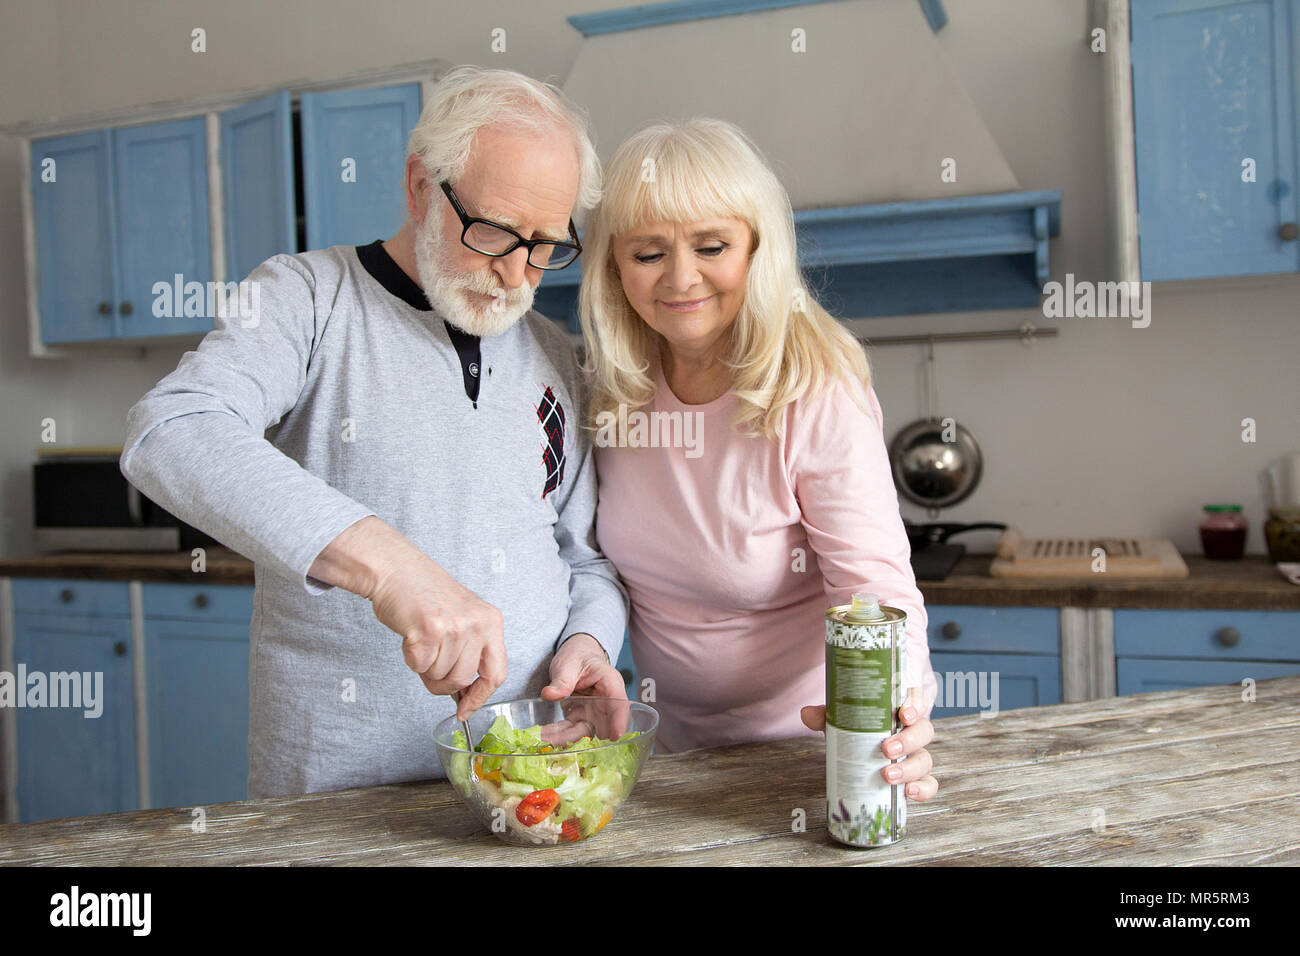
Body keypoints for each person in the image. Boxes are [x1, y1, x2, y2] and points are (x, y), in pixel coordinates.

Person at [120, 66, 628, 800]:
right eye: (492, 231)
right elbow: (171, 429)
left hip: (524, 784)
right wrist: (393, 566)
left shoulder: (553, 352)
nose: (516, 274)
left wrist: (587, 645)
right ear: (422, 185)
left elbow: (589, 563)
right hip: (338, 795)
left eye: (545, 245)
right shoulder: (305, 299)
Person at [579, 118, 939, 801]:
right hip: (669, 763)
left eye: (711, 246)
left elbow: (874, 590)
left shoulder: (816, 388)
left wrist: (895, 718)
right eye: (648, 253)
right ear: (613, 267)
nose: (681, 277)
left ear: (757, 248)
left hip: (809, 762)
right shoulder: (612, 390)